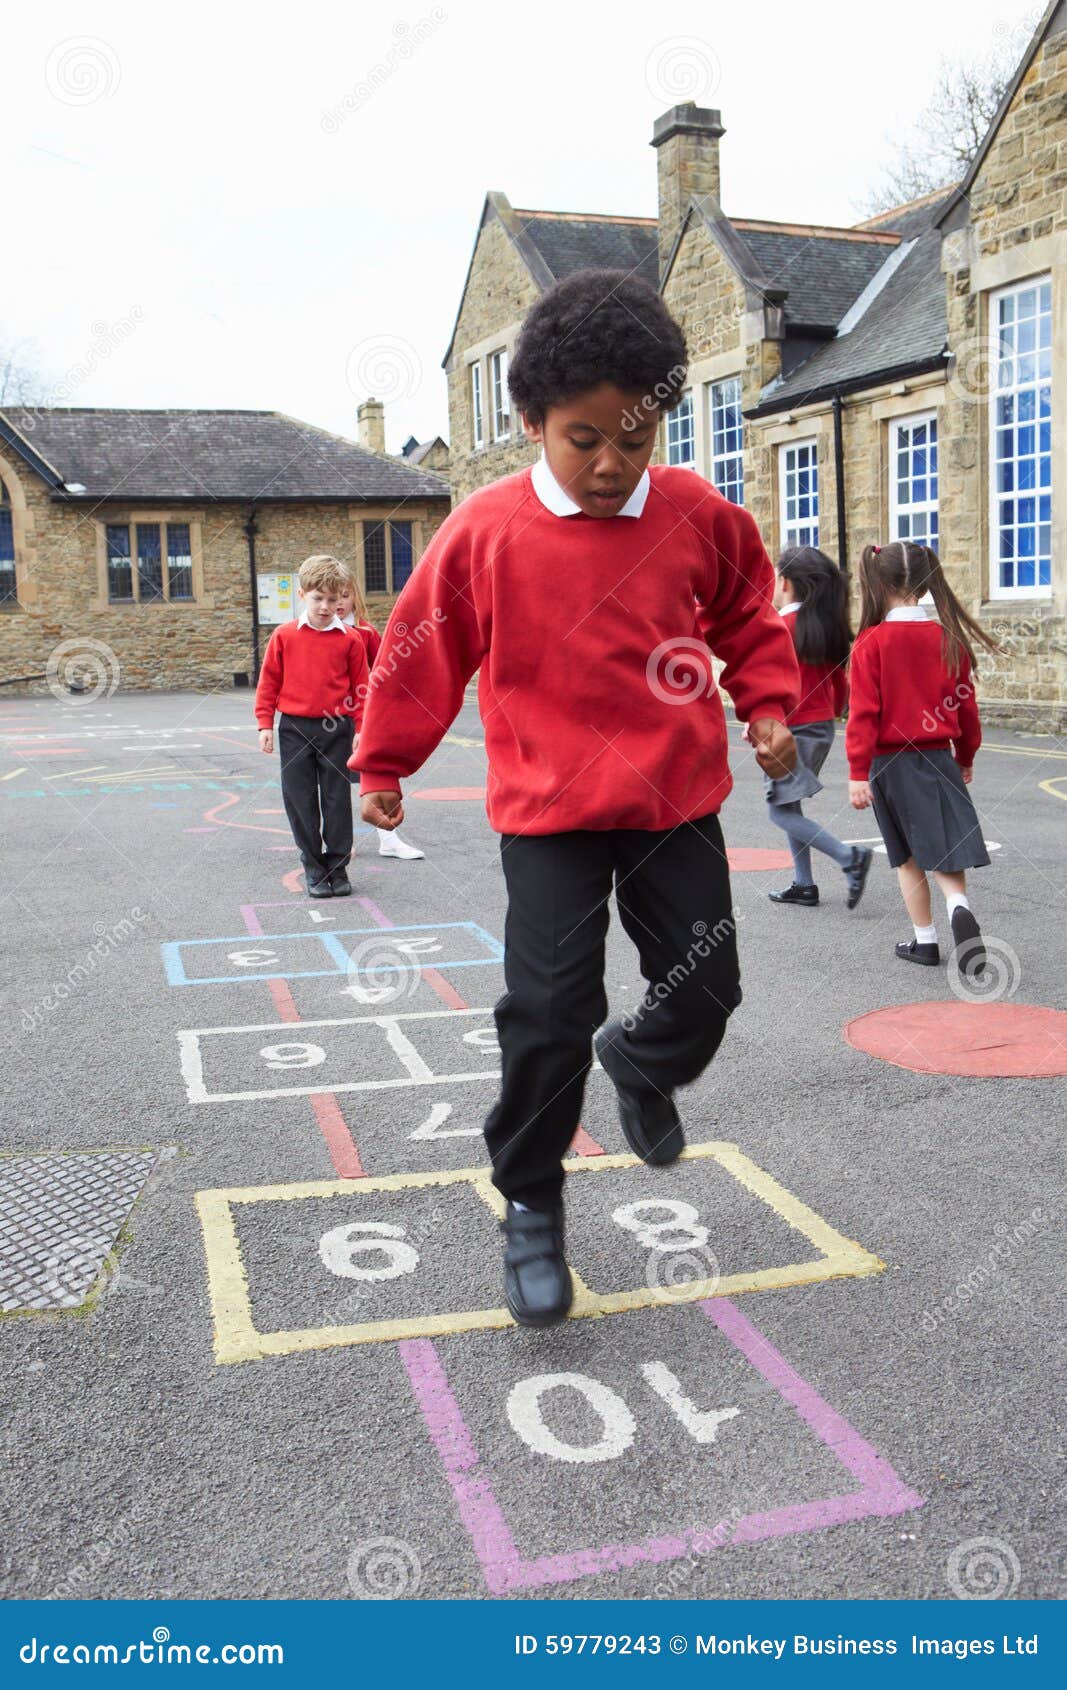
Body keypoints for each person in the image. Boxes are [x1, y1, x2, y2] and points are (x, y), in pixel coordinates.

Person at [350, 268, 800, 1327]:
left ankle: (639, 1064)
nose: (607, 465)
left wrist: (768, 703)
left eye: (631, 440)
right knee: (548, 1015)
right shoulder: (484, 530)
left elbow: (745, 614)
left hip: (671, 800)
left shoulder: (695, 514)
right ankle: (531, 1206)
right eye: (580, 439)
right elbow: (422, 649)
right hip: (548, 815)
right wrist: (381, 762)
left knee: (704, 989)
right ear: (527, 422)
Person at [846, 539, 999, 974]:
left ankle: (925, 940)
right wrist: (965, 755)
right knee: (945, 846)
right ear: (927, 584)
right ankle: (958, 905)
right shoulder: (948, 637)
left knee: (906, 856)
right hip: (938, 757)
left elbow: (864, 715)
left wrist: (857, 772)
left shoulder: (871, 643)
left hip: (889, 763)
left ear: (879, 581)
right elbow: (966, 708)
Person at [762, 546, 872, 910]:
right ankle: (803, 884)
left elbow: (771, 683)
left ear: (786, 583)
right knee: (788, 805)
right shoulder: (821, 625)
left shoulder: (781, 627)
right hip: (820, 725)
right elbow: (840, 684)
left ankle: (848, 858)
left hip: (792, 729)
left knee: (779, 811)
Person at [254, 555, 367, 899]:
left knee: (336, 801)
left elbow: (361, 688)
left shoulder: (351, 640)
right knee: (300, 801)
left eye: (334, 600)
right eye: (318, 598)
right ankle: (314, 868)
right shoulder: (284, 636)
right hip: (294, 729)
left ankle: (338, 867)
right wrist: (265, 724)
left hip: (337, 730)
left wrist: (361, 728)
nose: (326, 606)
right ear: (302, 595)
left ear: (342, 598)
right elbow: (269, 682)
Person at [337, 580, 425, 862]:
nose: (338, 601)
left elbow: (383, 670)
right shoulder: (314, 632)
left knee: (372, 779)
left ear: (355, 597)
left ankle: (388, 838)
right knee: (333, 783)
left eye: (345, 595)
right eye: (333, 595)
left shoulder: (365, 632)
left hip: (363, 717)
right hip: (329, 718)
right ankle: (339, 840)